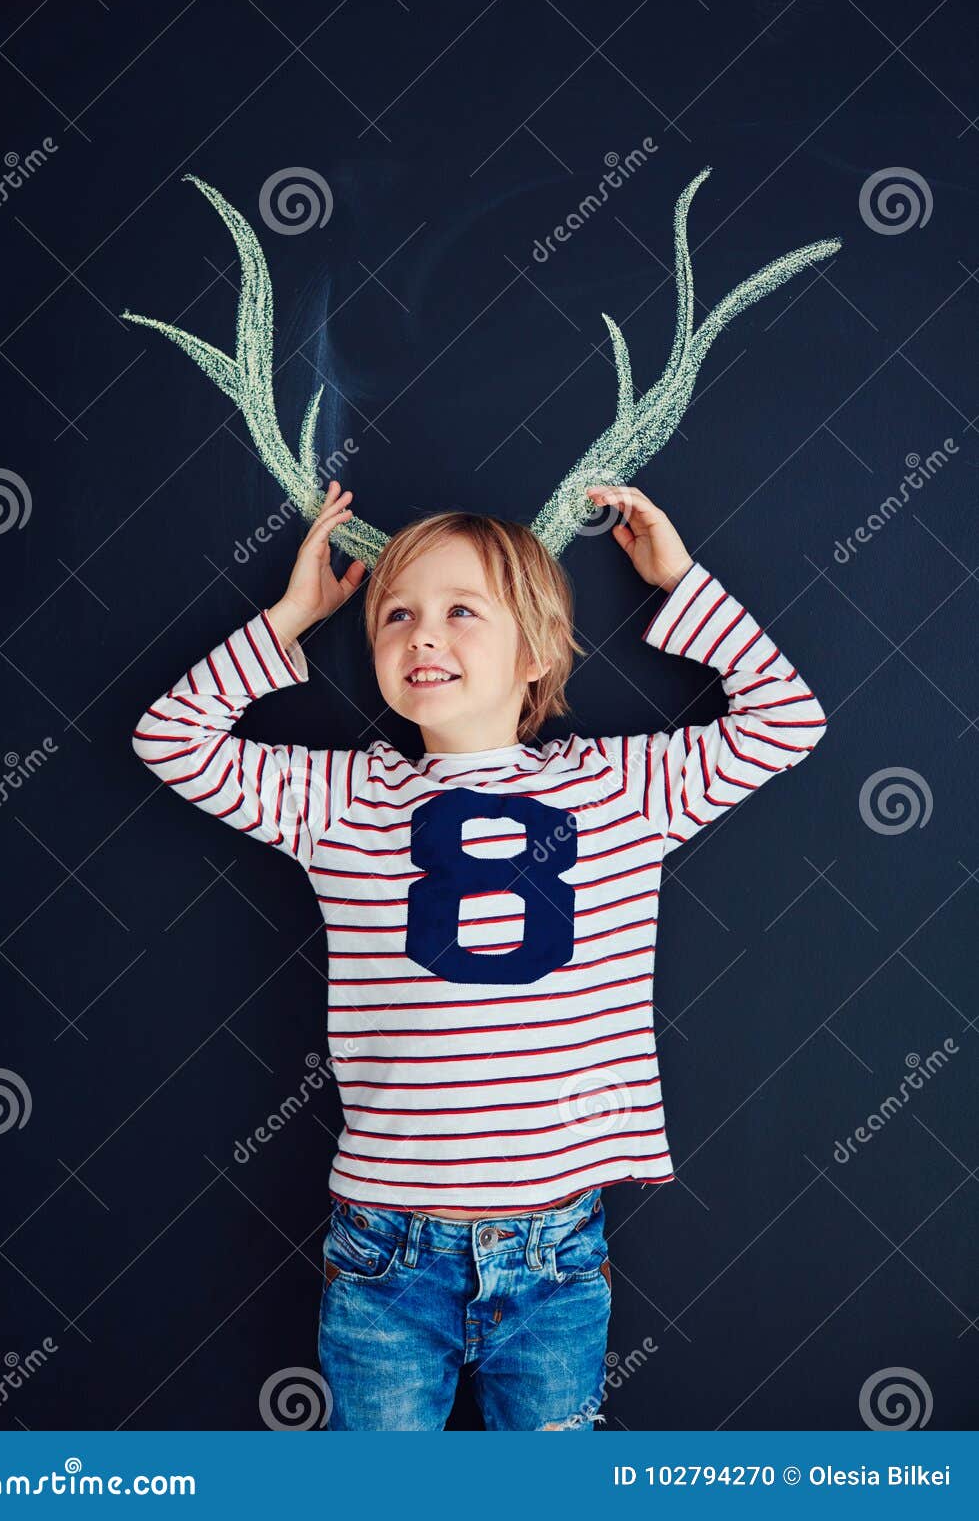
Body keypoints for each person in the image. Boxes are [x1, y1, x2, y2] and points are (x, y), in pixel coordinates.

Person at [131, 479, 827, 1429]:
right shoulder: (341, 798)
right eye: (396, 616)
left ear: (534, 651)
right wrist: (289, 618)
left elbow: (788, 721)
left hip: (556, 1250)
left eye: (463, 612)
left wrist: (679, 581)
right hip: (385, 1248)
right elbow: (170, 739)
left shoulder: (622, 786)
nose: (423, 635)